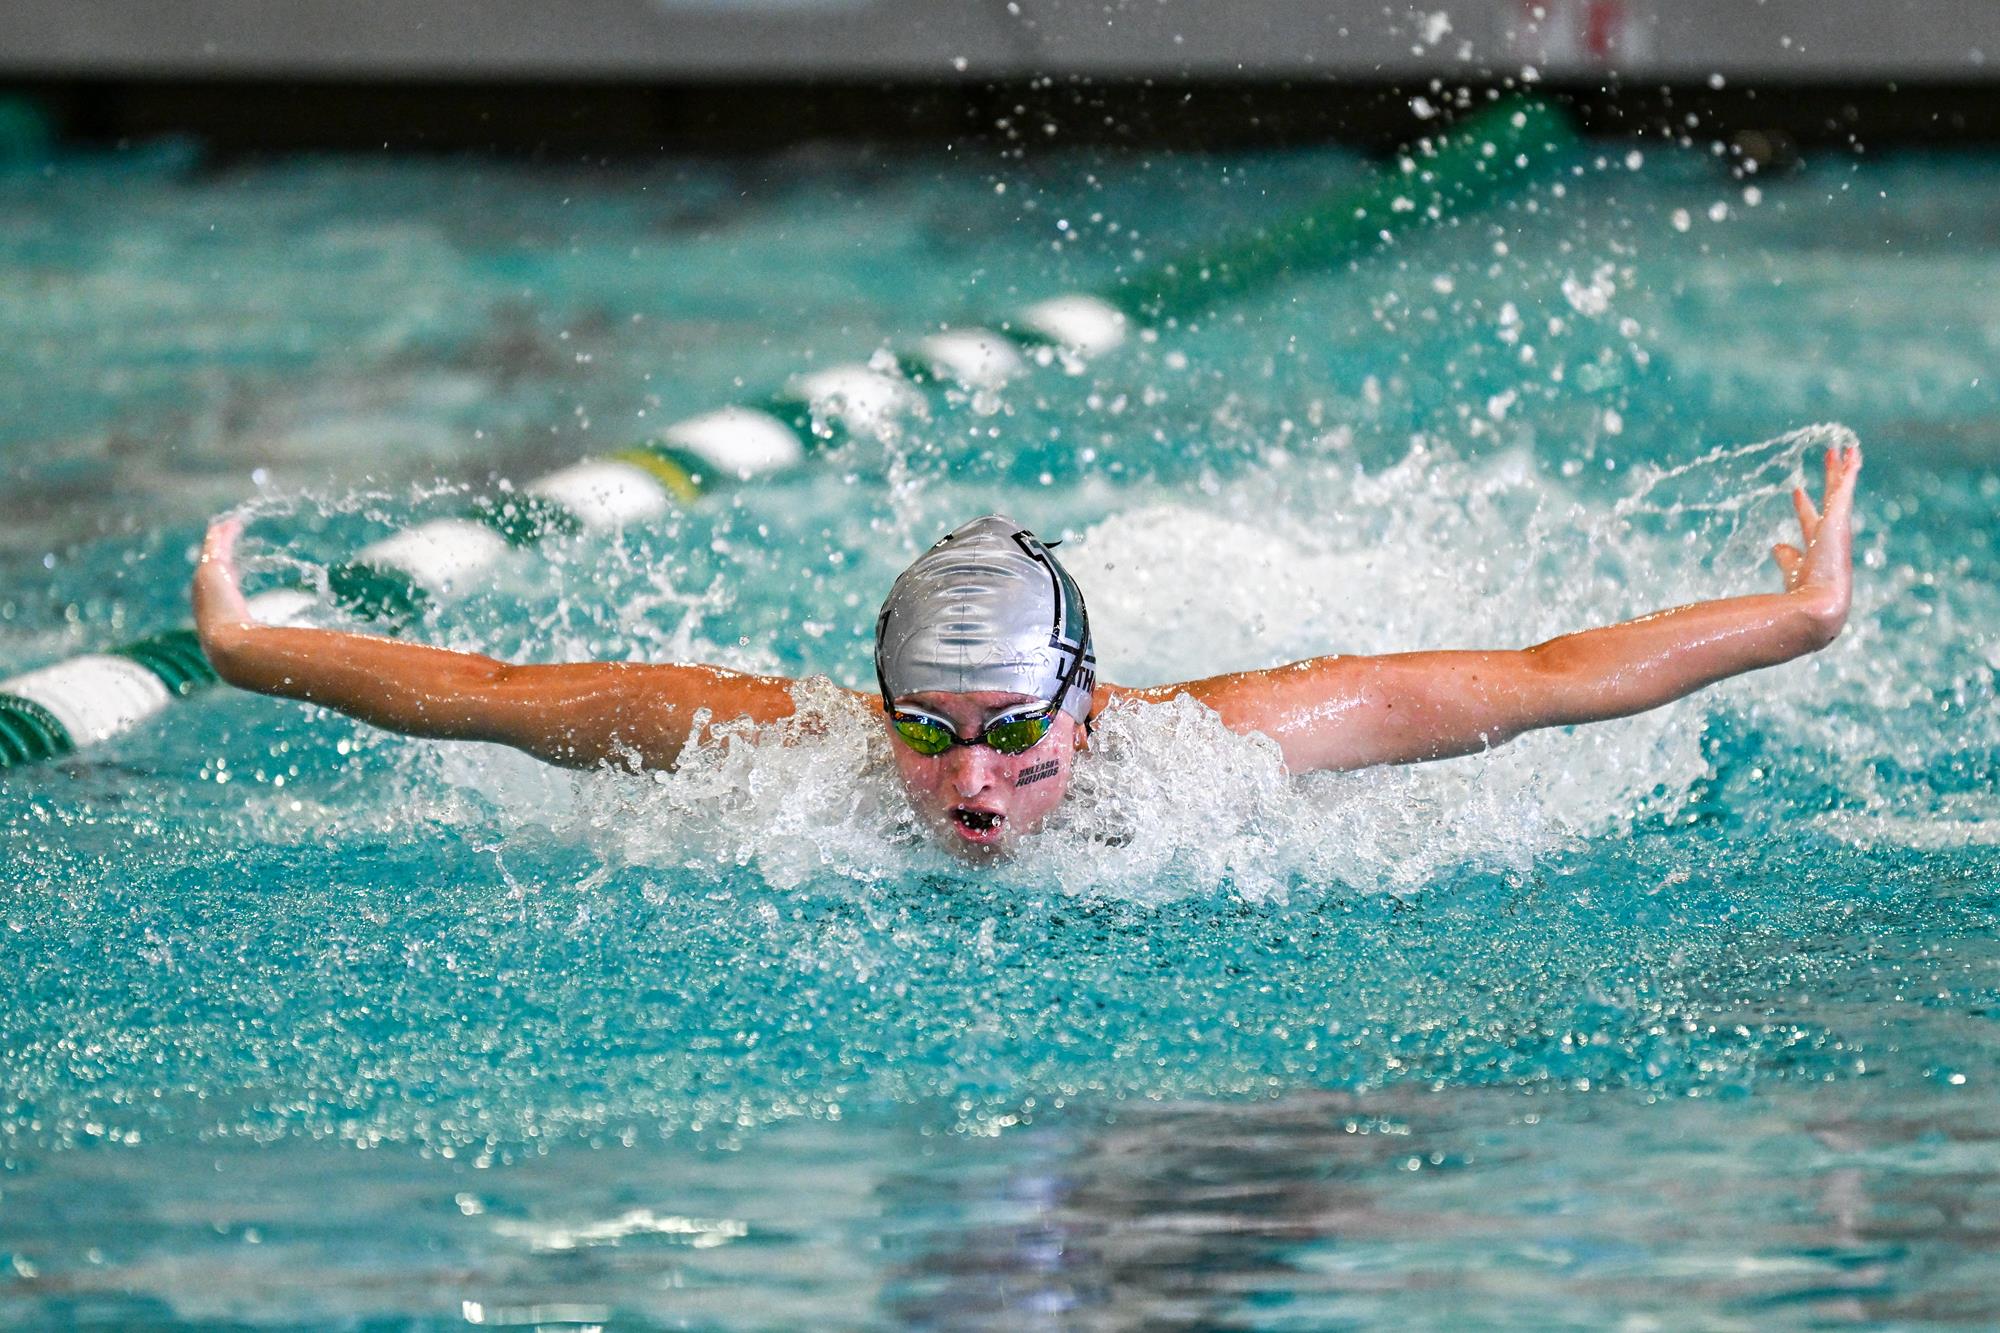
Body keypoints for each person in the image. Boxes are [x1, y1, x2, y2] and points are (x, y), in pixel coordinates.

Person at [193, 444, 1861, 858]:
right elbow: (484, 701)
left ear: (1088, 700)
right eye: (927, 731)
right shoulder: (784, 753)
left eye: (1009, 732)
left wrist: (1799, 615)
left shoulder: (1219, 747)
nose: (970, 781)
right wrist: (246, 646)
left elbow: (1549, 676)